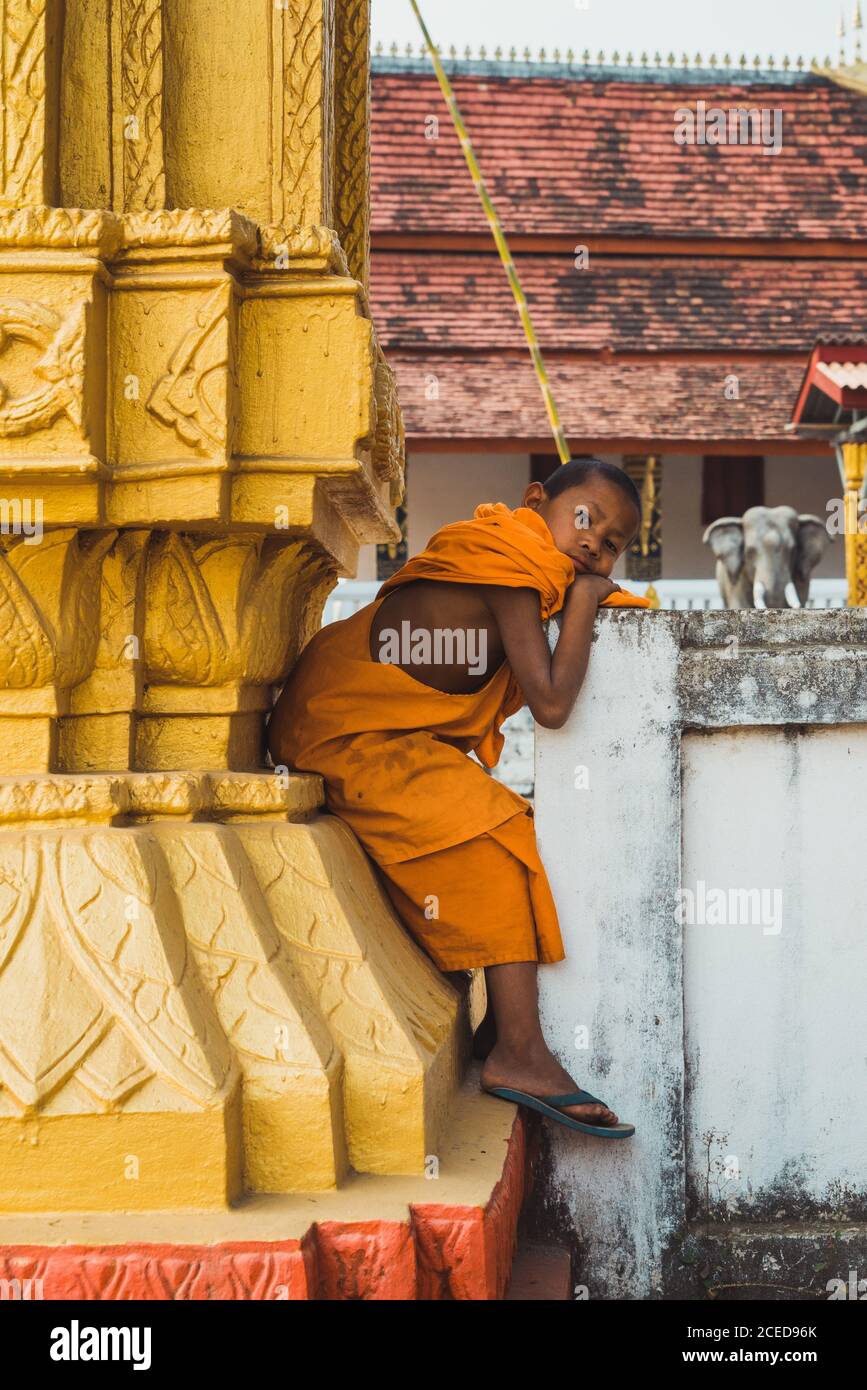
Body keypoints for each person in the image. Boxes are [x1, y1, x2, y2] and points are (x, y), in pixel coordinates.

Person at [268, 457, 650, 1138]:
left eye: (614, 542)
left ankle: (499, 1032)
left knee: (514, 830)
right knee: (494, 836)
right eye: (585, 519)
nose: (595, 544)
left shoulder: (536, 575)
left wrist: (582, 594)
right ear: (535, 499)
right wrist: (590, 599)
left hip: (384, 729)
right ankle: (520, 1052)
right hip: (343, 728)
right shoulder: (509, 563)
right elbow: (553, 703)